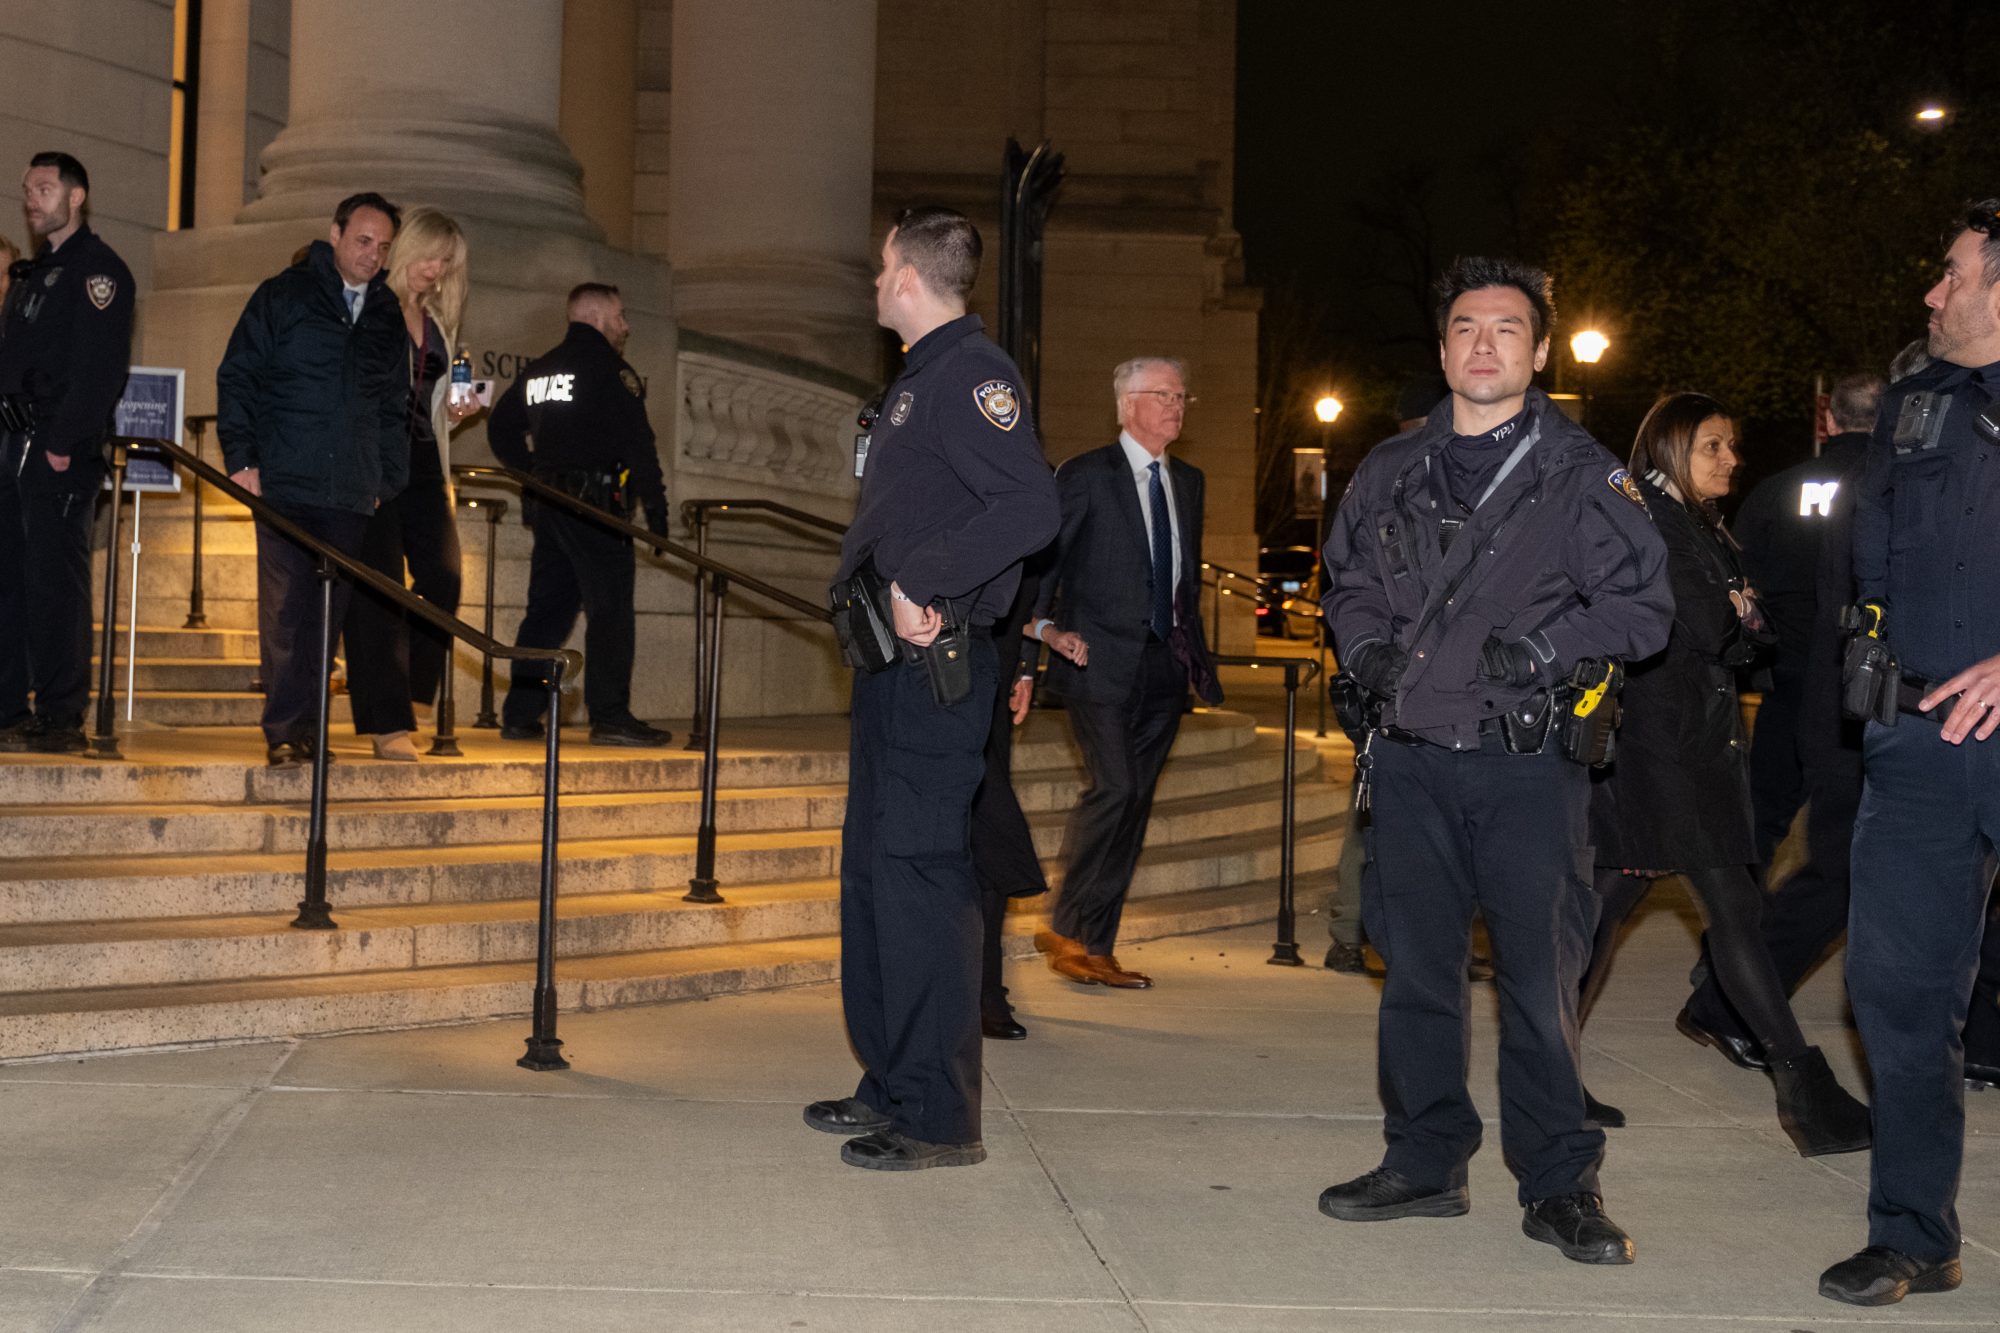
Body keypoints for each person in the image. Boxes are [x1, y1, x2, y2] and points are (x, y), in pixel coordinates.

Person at [1318, 256, 1671, 1265]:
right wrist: (1366, 646)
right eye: (1465, 327)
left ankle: (1560, 1184)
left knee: (1536, 984)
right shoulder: (1392, 466)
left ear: (1539, 352)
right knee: (1417, 979)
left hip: (1524, 770)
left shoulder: (1580, 473)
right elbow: (1345, 582)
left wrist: (1548, 650)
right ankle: (1424, 1159)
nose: (1482, 343)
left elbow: (1642, 608)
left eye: (1505, 329)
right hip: (1415, 762)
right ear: (1440, 349)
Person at [803, 206, 1058, 1171]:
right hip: (887, 665)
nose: (874, 287)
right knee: (875, 875)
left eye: (880, 272)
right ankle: (894, 1079)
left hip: (935, 667)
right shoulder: (920, 379)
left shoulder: (974, 375)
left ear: (908, 277)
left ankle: (940, 1114)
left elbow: (1032, 506)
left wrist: (930, 577)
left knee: (919, 877)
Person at [1574, 393, 1871, 1156]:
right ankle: (1804, 1087)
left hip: (1689, 745)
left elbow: (1754, 632)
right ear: (1672, 447)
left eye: (1732, 446)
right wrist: (1736, 613)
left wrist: (1740, 613)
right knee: (1733, 906)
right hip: (1661, 749)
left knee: (1609, 908)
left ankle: (1547, 1067)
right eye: (1714, 446)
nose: (1731, 461)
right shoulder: (1649, 520)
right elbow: (1711, 625)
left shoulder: (1702, 525)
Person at [1817, 200, 2000, 1308]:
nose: (1930, 294)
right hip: (1923, 741)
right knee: (1894, 987)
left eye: (1951, 275)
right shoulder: (1913, 407)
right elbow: (1872, 558)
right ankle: (1912, 1233)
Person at [1025, 356, 1221, 990]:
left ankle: (1096, 945)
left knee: (1135, 801)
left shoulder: (1188, 481)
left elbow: (1182, 578)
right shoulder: (1085, 475)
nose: (1176, 405)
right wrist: (1039, 636)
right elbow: (1044, 568)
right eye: (1162, 394)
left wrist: (1194, 654)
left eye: (1181, 395)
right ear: (1126, 404)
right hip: (1097, 663)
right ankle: (1065, 926)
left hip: (1166, 666)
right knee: (1112, 789)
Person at [218, 192, 408, 768]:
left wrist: (386, 477)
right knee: (286, 611)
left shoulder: (386, 313)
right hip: (286, 481)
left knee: (329, 618)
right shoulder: (284, 294)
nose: (372, 255)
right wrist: (241, 458)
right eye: (362, 240)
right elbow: (239, 376)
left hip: (351, 490)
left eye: (382, 246)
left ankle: (309, 729)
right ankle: (283, 730)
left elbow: (395, 405)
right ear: (335, 234)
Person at [488, 283, 671, 747]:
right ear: (594, 315)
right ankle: (609, 715)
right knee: (609, 612)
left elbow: (500, 427)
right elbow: (640, 446)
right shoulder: (612, 371)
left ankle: (520, 713)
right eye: (620, 315)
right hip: (597, 510)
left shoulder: (540, 371)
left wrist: (532, 474)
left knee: (546, 614)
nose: (625, 326)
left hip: (551, 508)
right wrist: (657, 510)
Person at [0, 152, 134, 754]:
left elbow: (100, 371)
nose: (33, 198)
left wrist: (60, 444)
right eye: (28, 189)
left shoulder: (98, 271)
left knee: (55, 583)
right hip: (11, 446)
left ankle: (60, 714)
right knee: (12, 581)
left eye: (46, 188)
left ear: (76, 197)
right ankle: (8, 704)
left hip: (56, 451)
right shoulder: (33, 274)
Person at [342, 207, 477, 761]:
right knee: (379, 586)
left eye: (447, 262)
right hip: (374, 457)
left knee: (443, 577)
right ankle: (387, 723)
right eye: (429, 256)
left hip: (422, 458)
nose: (436, 269)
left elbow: (436, 403)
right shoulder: (371, 306)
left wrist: (460, 407)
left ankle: (415, 695)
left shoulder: (438, 322)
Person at [1735, 374, 1885, 862]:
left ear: (1829, 419)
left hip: (1789, 680)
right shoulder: (1894, 485)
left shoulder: (1778, 489)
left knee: (1762, 818)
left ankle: (1742, 932)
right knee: (1851, 830)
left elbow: (1739, 581)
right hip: (1870, 689)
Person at [970, 554, 1052, 1041]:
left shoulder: (1028, 489)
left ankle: (984, 990)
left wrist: (1025, 667)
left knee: (985, 840)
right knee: (989, 827)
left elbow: (1034, 584)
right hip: (935, 665)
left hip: (995, 673)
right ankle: (976, 989)